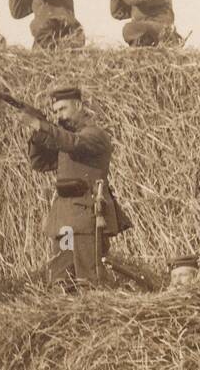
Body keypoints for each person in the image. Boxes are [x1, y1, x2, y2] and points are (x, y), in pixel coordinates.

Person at [25, 85, 133, 288]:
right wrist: (37, 136)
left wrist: (44, 127)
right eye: (55, 112)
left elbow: (74, 144)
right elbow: (39, 163)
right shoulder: (65, 140)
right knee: (62, 278)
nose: (59, 116)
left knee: (89, 278)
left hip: (88, 217)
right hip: (65, 220)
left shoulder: (94, 135)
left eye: (63, 109)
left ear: (78, 105)